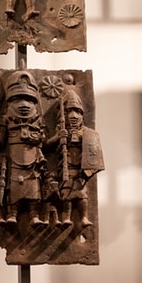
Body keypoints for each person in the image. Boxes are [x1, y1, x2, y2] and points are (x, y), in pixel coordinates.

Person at [0, 72, 46, 229]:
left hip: (33, 160)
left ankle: (34, 215)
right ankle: (12, 214)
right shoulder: (6, 119)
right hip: (13, 160)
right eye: (17, 100)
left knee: (33, 187)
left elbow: (44, 140)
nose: (24, 104)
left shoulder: (38, 121)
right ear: (9, 103)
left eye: (29, 100)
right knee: (13, 186)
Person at [47, 87, 103, 227]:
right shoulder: (61, 130)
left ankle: (83, 217)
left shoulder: (87, 133)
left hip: (80, 169)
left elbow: (93, 152)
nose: (73, 116)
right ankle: (66, 218)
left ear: (82, 115)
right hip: (66, 168)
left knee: (82, 194)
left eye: (77, 111)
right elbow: (47, 145)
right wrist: (58, 137)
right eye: (69, 111)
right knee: (66, 194)